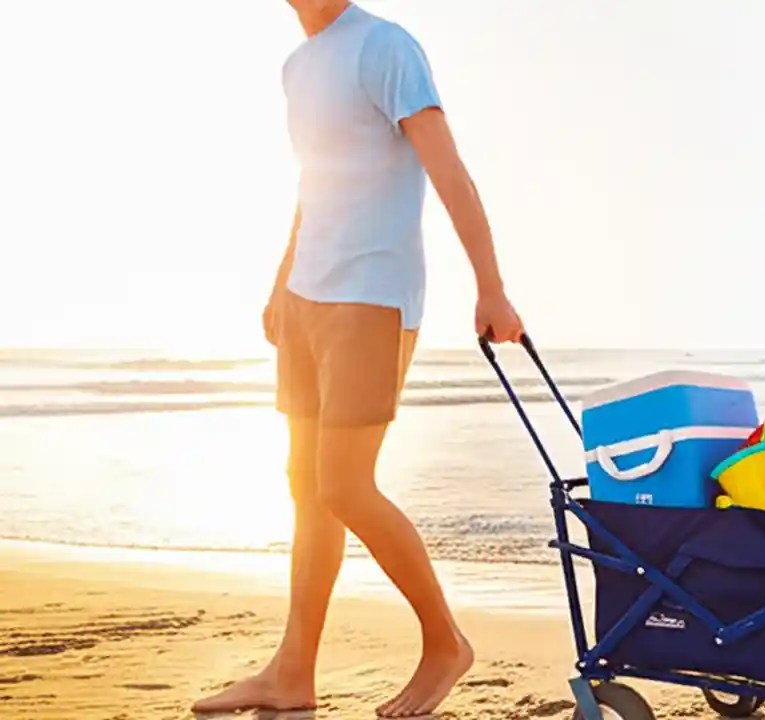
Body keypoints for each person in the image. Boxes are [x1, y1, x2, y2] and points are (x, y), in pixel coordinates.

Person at [193, 1, 524, 717]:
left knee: (343, 484)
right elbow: (314, 185)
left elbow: (450, 172)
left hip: (373, 296)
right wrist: (282, 283)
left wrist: (491, 287)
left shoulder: (385, 46)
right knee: (306, 489)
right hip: (309, 296)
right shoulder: (298, 66)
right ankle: (291, 673)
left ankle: (445, 643)